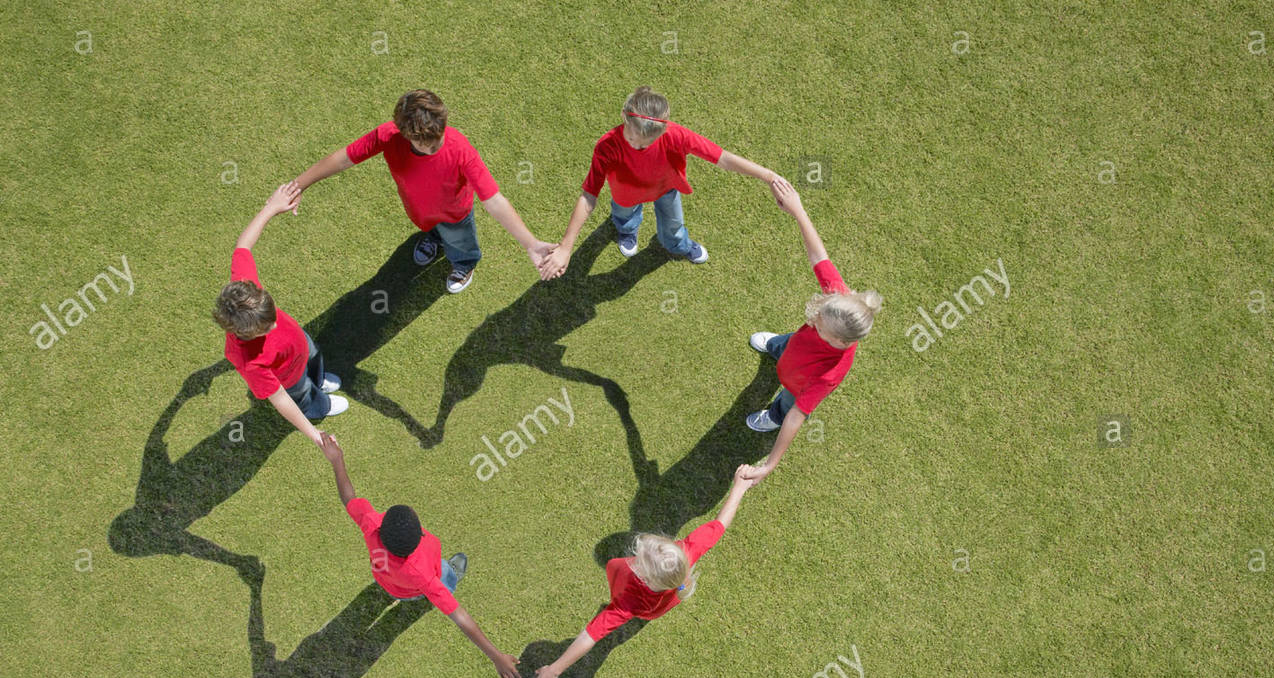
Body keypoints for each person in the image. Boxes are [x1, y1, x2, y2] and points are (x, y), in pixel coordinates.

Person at [291, 89, 555, 292]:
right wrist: (300, 184)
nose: (436, 146)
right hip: (418, 211)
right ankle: (436, 239)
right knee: (431, 228)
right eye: (427, 144)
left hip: (455, 215)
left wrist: (530, 243)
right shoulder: (388, 136)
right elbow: (344, 158)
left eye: (438, 138)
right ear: (406, 135)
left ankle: (464, 264)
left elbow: (494, 201)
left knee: (459, 242)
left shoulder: (460, 149)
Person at [319, 434, 521, 678]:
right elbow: (459, 616)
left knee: (399, 587)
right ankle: (450, 577)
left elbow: (349, 498)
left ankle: (401, 593)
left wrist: (337, 461)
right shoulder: (423, 573)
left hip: (386, 581)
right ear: (420, 535)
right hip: (417, 587)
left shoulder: (372, 525)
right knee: (445, 575)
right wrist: (496, 656)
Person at [532, 468, 758, 678]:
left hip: (636, 602)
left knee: (616, 575)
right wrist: (738, 489)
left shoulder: (628, 602)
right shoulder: (685, 554)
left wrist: (555, 669)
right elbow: (719, 525)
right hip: (657, 607)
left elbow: (590, 635)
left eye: (639, 559)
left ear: (644, 576)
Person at [540, 86, 785, 279]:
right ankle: (627, 232)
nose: (638, 147)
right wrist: (565, 246)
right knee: (624, 216)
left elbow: (723, 158)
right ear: (625, 118)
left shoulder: (676, 134)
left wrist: (769, 176)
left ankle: (678, 245)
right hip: (625, 195)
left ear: (663, 129)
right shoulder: (607, 145)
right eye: (633, 139)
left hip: (666, 190)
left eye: (646, 144)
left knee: (674, 226)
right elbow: (589, 195)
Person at [739, 179, 881, 481]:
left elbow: (797, 416)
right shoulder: (838, 300)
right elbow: (819, 256)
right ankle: (774, 347)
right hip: (794, 346)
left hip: (796, 384)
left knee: (784, 406)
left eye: (821, 325)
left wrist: (771, 464)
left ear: (839, 342)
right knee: (784, 343)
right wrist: (798, 210)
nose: (814, 318)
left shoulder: (830, 373)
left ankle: (770, 415)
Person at [213, 183, 346, 449]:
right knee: (303, 395)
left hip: (301, 344)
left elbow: (243, 246)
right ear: (246, 333)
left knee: (313, 354)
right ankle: (319, 403)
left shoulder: (244, 291)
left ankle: (318, 379)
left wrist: (270, 208)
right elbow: (282, 400)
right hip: (290, 378)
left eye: (271, 314)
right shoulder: (248, 360)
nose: (275, 324)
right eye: (267, 327)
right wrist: (315, 436)